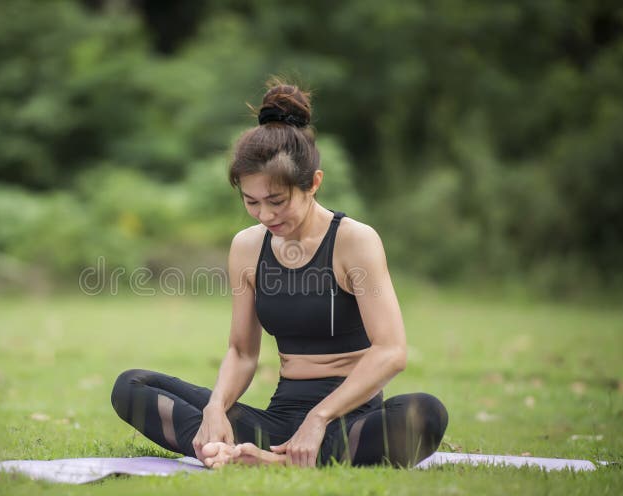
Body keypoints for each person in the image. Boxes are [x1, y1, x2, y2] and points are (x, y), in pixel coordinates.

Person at [111, 78, 448, 469]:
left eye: (277, 201)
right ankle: (243, 449)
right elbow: (241, 351)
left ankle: (275, 460)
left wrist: (318, 419)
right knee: (132, 386)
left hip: (348, 420)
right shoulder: (247, 247)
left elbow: (391, 352)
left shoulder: (354, 241)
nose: (266, 215)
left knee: (424, 413)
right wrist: (216, 409)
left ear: (313, 184)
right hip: (275, 421)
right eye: (251, 202)